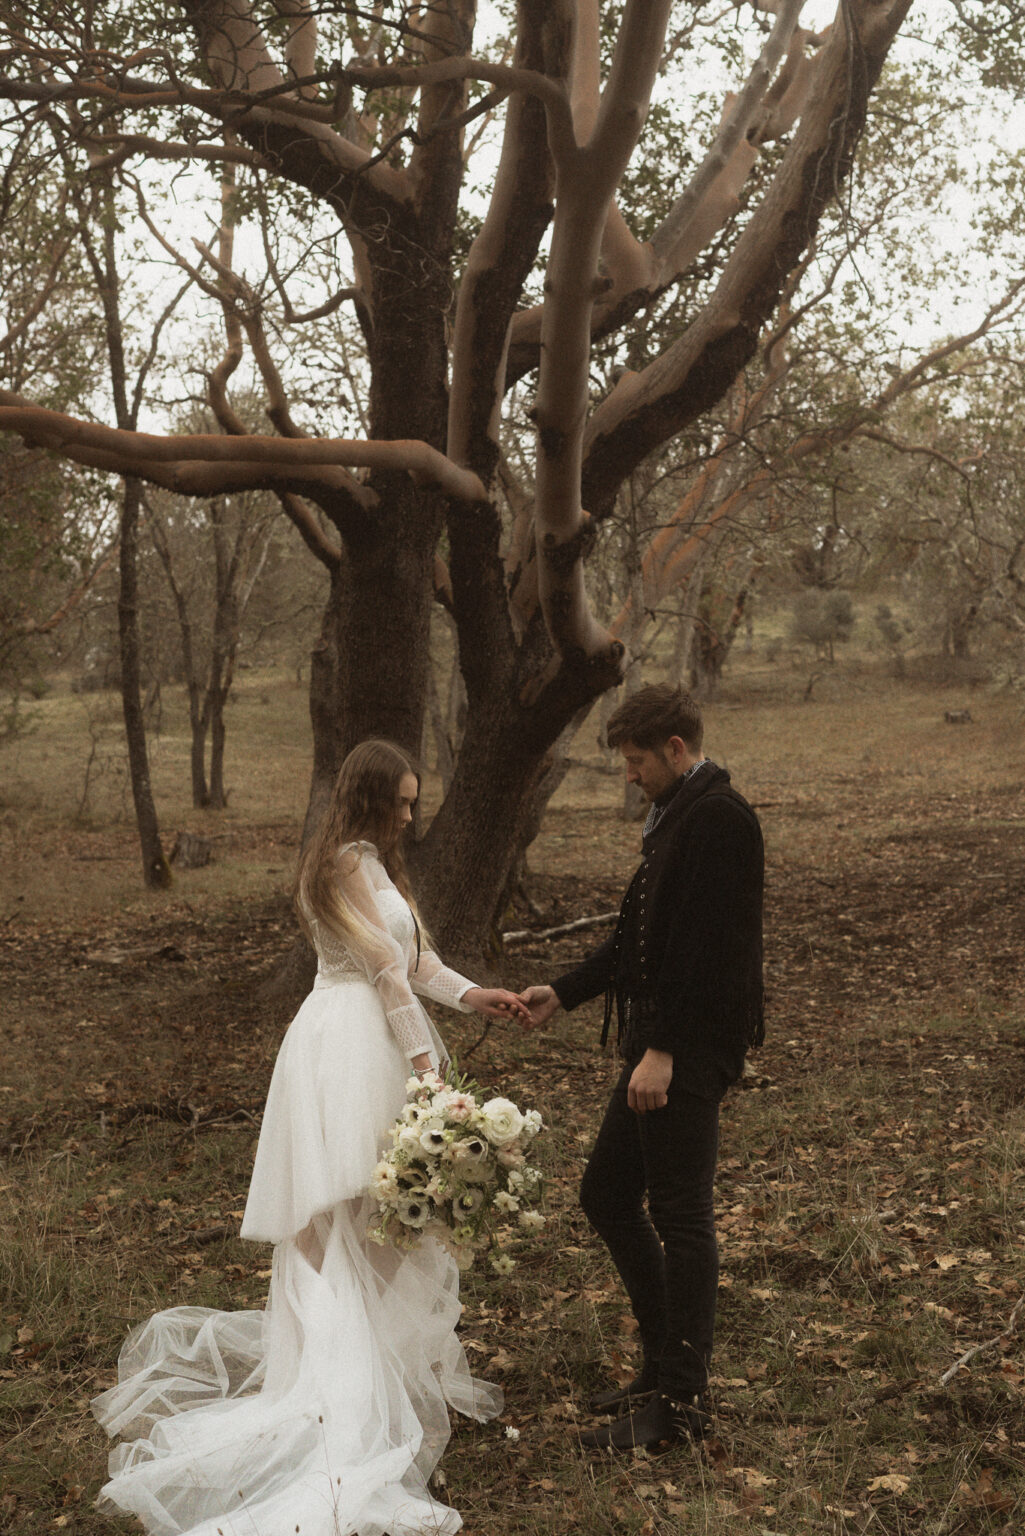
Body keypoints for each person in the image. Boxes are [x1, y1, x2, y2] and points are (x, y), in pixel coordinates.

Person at [92, 738, 528, 1536]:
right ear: (365, 798)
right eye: (397, 800)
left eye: (411, 800)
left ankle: (371, 1374)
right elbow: (383, 971)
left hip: (381, 1038)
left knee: (390, 1216)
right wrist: (428, 1067)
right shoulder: (333, 867)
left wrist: (476, 997)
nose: (408, 813)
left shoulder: (376, 861)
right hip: (344, 1046)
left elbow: (418, 962)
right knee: (342, 1218)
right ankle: (335, 1396)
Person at [519, 684, 764, 1451]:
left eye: (635, 761)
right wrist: (560, 992)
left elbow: (704, 949)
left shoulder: (718, 820)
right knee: (607, 1194)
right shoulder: (676, 818)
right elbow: (636, 938)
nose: (628, 775)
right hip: (661, 1042)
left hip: (685, 1048)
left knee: (681, 1217)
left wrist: (661, 1049)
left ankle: (682, 1408)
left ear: (676, 750)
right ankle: (662, 1365)